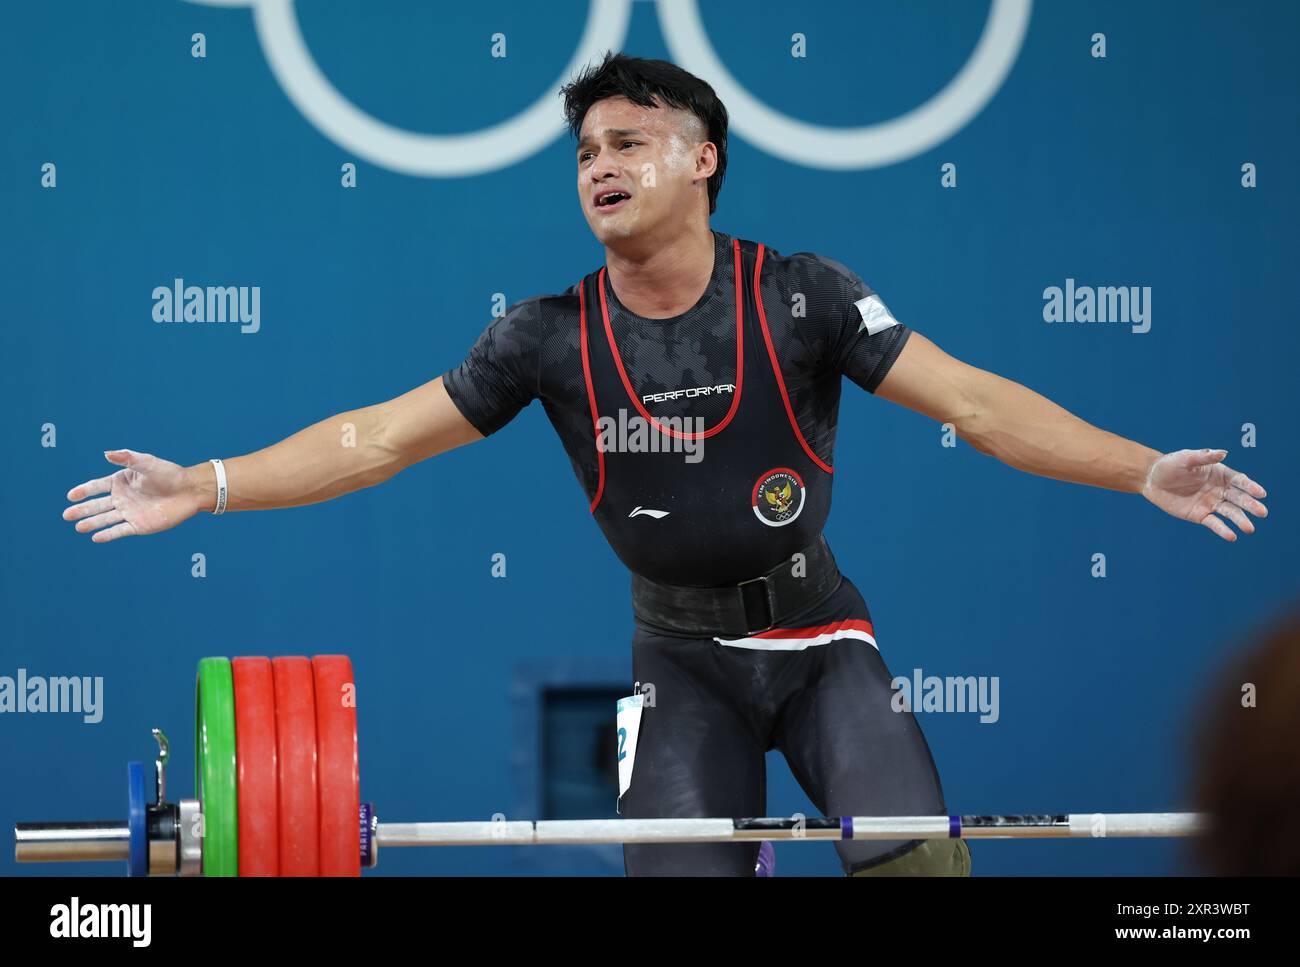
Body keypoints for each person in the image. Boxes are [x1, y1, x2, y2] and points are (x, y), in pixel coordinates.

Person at [62, 53, 1269, 877]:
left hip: (822, 645)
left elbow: (978, 405)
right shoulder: (543, 336)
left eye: (630, 140)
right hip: (673, 666)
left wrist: (1138, 469)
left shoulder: (803, 296)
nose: (599, 162)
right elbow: (369, 441)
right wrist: (205, 482)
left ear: (701, 160)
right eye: (586, 147)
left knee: (913, 857)